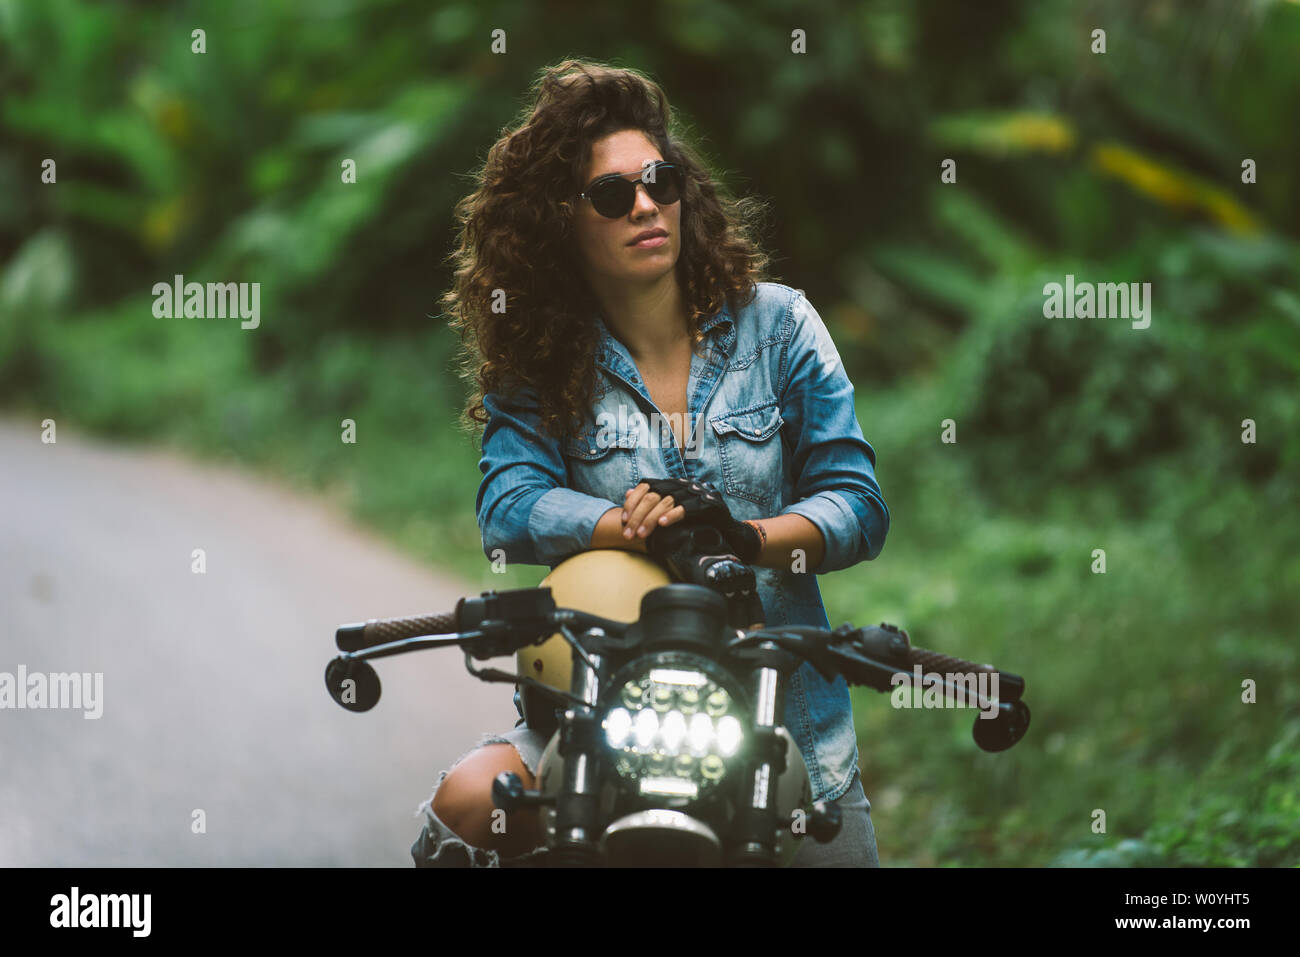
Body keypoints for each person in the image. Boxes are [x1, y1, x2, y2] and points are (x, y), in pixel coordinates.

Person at [413, 58, 889, 867]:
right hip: (600, 717)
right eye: (611, 194)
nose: (644, 205)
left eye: (659, 181)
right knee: (468, 802)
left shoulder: (782, 327)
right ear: (559, 222)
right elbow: (508, 500)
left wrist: (743, 537)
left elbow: (857, 503)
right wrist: (626, 524)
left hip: (781, 719)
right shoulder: (538, 356)